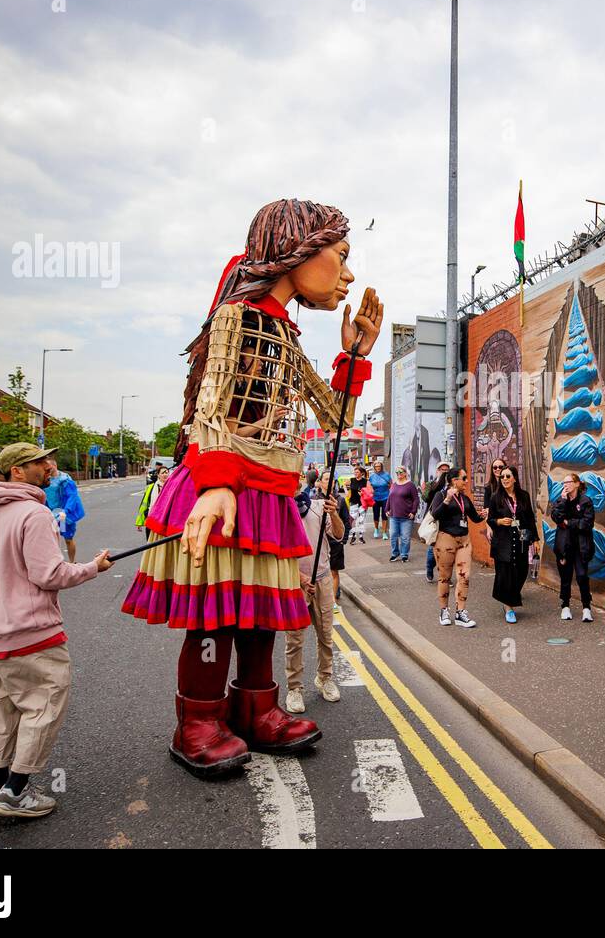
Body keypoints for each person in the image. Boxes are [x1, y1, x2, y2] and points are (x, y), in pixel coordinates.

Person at [120, 197, 383, 779]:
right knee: (214, 618)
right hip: (227, 484)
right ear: (298, 252)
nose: (348, 273)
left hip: (267, 493)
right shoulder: (238, 318)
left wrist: (354, 354)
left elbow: (335, 414)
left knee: (261, 615)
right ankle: (198, 722)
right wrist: (215, 486)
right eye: (340, 256)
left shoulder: (284, 333)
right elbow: (210, 405)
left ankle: (255, 707)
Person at [0, 442, 113, 818]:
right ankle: (16, 792)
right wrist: (93, 567)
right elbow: (50, 574)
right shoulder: (34, 513)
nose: (48, 466)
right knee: (43, 703)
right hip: (30, 633)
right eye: (39, 462)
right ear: (17, 471)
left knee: (1, 708)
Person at [285, 473, 346, 713]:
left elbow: (339, 535)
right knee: (294, 640)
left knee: (326, 636)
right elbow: (276, 553)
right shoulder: (280, 512)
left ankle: (324, 678)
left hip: (322, 581)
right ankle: (294, 688)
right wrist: (300, 580)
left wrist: (333, 513)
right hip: (294, 583)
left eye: (297, 477)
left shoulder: (319, 507)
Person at [430, 467, 486, 629]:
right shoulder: (440, 495)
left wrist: (483, 514)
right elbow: (435, 515)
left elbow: (474, 518)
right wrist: (447, 500)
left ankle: (461, 612)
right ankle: (443, 610)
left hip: (464, 540)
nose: (467, 481)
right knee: (445, 577)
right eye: (464, 478)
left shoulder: (465, 499)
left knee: (464, 576)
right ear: (454, 480)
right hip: (446, 540)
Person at [487, 464, 538, 623]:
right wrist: (500, 521)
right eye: (502, 477)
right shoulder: (496, 497)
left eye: (508, 476)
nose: (504, 479)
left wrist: (535, 539)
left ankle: (509, 599)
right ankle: (509, 607)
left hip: (521, 539)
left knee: (521, 572)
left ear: (515, 478)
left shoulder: (524, 495)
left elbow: (530, 518)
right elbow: (490, 519)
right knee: (505, 574)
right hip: (503, 541)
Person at [549, 472, 594, 621]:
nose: (565, 485)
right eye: (563, 483)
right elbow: (556, 517)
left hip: (581, 547)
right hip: (564, 546)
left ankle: (586, 608)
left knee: (582, 576)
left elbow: (587, 524)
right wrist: (562, 501)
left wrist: (569, 523)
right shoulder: (561, 500)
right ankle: (565, 606)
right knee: (565, 577)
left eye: (568, 482)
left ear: (577, 484)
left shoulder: (586, 501)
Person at [43, 455, 85, 563]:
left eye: (48, 467)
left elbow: (72, 496)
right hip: (50, 513)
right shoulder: (44, 479)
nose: (46, 469)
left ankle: (72, 562)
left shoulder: (65, 480)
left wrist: (66, 511)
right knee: (51, 538)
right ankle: (55, 562)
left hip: (62, 515)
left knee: (67, 538)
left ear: (54, 466)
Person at [422, 461, 451, 582]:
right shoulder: (431, 484)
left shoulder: (452, 485)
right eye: (442, 469)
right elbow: (426, 498)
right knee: (433, 546)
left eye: (446, 470)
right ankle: (429, 567)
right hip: (435, 518)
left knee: (448, 549)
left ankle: (444, 576)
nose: (444, 471)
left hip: (449, 519)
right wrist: (439, 483)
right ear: (437, 470)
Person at [386, 465, 419, 562]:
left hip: (406, 516)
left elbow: (416, 499)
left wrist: (413, 512)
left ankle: (404, 554)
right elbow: (390, 497)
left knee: (405, 537)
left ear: (405, 473)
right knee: (393, 536)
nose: (399, 474)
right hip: (394, 515)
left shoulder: (410, 485)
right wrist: (387, 509)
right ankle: (395, 553)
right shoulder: (394, 484)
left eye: (401, 472)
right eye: (397, 473)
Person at [325, 476, 351, 602]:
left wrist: (343, 540)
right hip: (321, 543)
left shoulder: (340, 500)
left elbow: (347, 521)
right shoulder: (314, 500)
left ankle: (333, 600)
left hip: (335, 542)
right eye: (325, 479)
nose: (329, 482)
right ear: (319, 482)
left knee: (334, 571)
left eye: (331, 480)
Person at [135, 464, 170, 540]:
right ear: (158, 475)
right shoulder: (150, 487)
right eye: (163, 473)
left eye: (167, 472)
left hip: (166, 521)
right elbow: (144, 504)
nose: (165, 474)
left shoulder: (172, 487)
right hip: (151, 519)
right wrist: (139, 522)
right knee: (150, 543)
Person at [368, 459, 392, 540]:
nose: (378, 467)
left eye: (379, 466)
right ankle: (376, 530)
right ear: (374, 467)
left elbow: (390, 485)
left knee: (384, 515)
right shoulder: (372, 476)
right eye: (376, 466)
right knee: (376, 515)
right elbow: (369, 485)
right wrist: (371, 489)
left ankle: (384, 532)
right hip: (375, 498)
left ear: (381, 466)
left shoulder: (386, 475)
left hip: (385, 497)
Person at [347, 465, 369, 544]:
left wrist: (363, 493)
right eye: (355, 472)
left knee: (361, 520)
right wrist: (347, 492)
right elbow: (344, 485)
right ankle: (353, 536)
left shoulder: (365, 481)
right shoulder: (351, 480)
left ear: (361, 473)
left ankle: (360, 536)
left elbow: (371, 491)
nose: (355, 473)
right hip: (353, 502)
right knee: (352, 519)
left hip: (362, 503)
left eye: (357, 472)